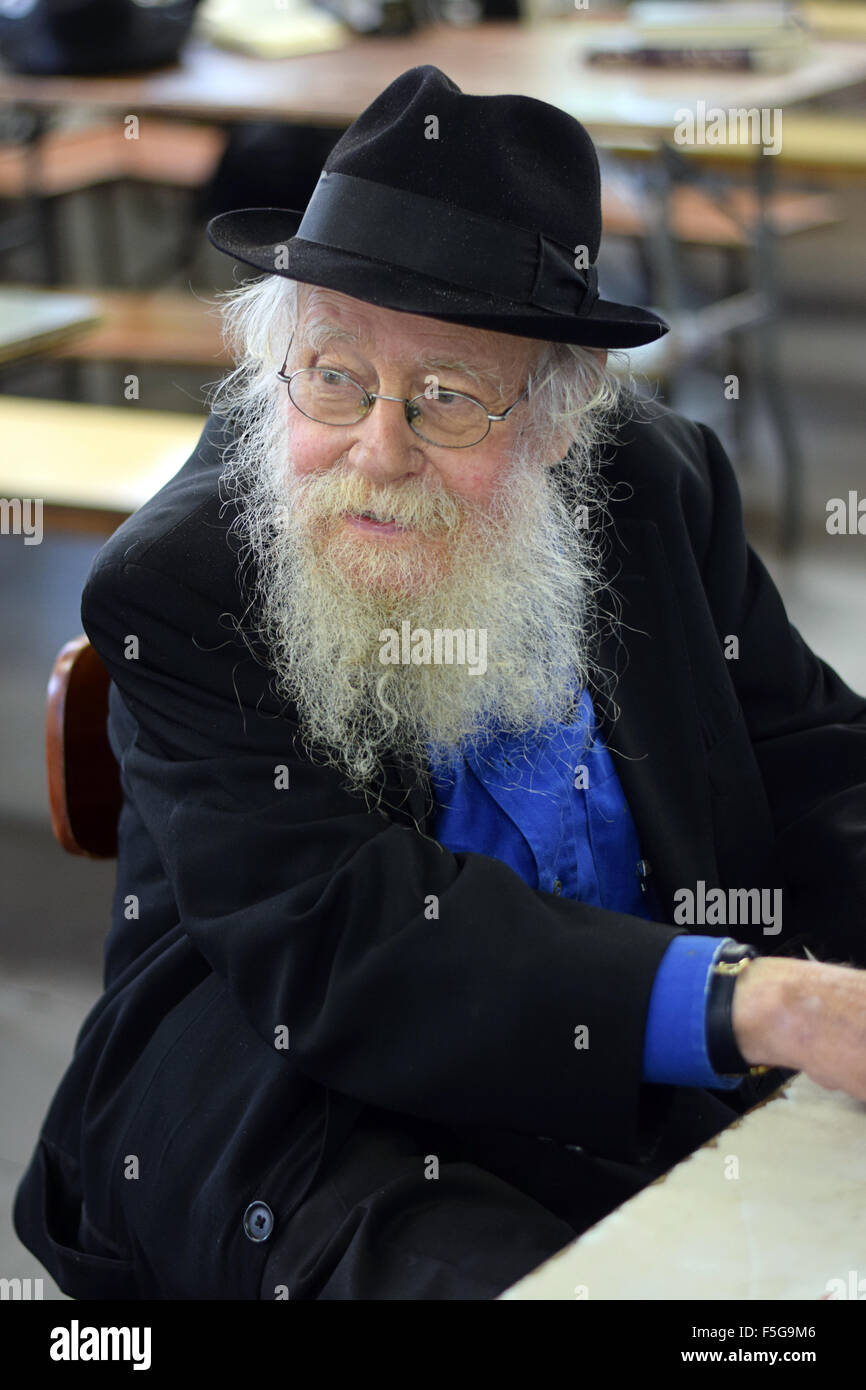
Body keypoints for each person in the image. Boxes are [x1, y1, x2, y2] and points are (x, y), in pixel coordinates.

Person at [14, 65, 866, 1301]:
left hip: (621, 1066)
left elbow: (810, 761)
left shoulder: (656, 481)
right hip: (293, 1087)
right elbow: (349, 935)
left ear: (558, 422)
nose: (378, 447)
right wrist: (753, 1000)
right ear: (276, 360)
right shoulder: (182, 580)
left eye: (448, 399)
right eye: (334, 375)